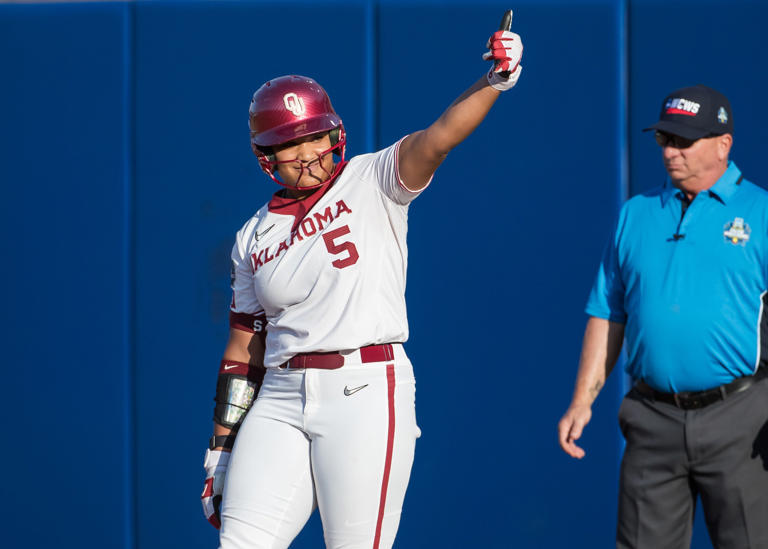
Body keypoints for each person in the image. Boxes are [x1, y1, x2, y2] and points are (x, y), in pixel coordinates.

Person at [199, 13, 524, 549]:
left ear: (335, 132)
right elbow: (243, 347)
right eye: (289, 143)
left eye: (314, 135)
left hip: (365, 388)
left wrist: (494, 81)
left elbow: (439, 139)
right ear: (265, 156)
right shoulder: (251, 236)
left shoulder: (371, 179)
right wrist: (222, 443)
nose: (306, 152)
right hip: (279, 396)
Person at [558, 84, 768, 549]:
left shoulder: (761, 212)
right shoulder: (638, 213)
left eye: (684, 140)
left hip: (741, 417)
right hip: (653, 419)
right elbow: (608, 312)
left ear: (723, 143)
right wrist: (582, 400)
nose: (671, 151)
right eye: (664, 139)